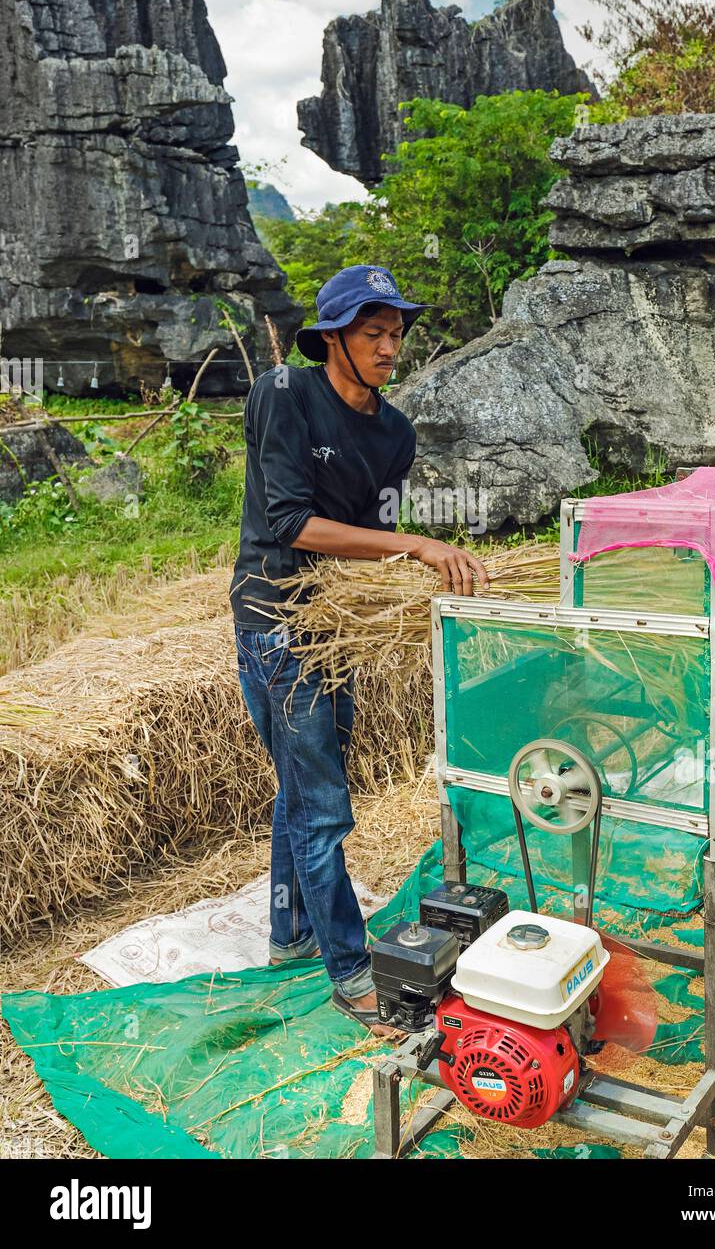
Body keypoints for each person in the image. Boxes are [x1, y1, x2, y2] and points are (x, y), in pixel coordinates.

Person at [231, 264, 490, 1034]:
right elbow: (289, 524)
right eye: (374, 333)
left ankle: (289, 934)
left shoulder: (394, 432)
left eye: (396, 333)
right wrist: (414, 544)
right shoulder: (284, 394)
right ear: (334, 339)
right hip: (276, 617)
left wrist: (405, 579)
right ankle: (349, 971)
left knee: (305, 788)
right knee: (322, 806)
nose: (389, 347)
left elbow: (368, 543)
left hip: (335, 628)